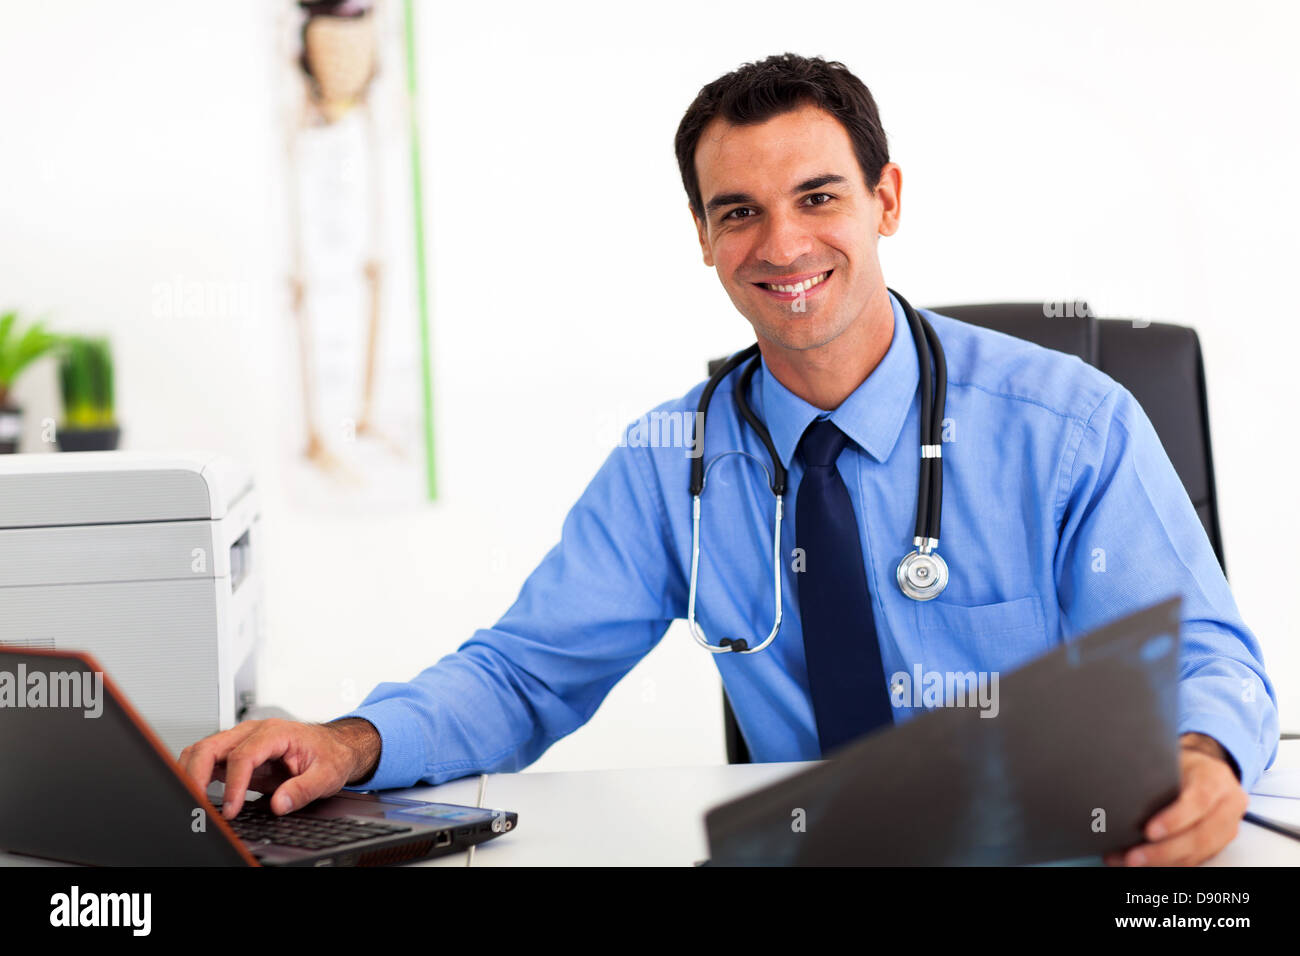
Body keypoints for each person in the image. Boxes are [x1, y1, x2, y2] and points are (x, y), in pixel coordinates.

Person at [181, 52, 1276, 867]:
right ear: (703, 237)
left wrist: (1205, 761)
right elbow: (523, 673)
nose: (783, 245)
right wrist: (348, 739)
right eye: (737, 212)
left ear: (884, 198)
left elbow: (1214, 663)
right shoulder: (675, 461)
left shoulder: (1069, 425)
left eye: (817, 197)